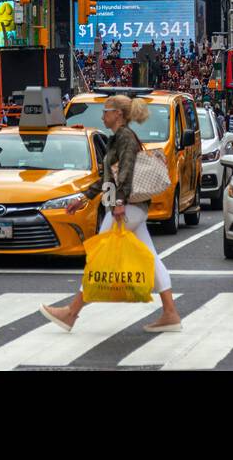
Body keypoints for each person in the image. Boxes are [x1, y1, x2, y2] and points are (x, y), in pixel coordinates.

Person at [39, 94, 181, 333]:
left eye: (106, 111)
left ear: (118, 114)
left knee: (98, 258)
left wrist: (119, 202)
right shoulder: (119, 137)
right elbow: (109, 177)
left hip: (126, 208)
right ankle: (170, 313)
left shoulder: (125, 137)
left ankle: (71, 313)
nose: (102, 115)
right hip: (131, 208)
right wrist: (84, 197)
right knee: (151, 259)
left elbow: (126, 170)